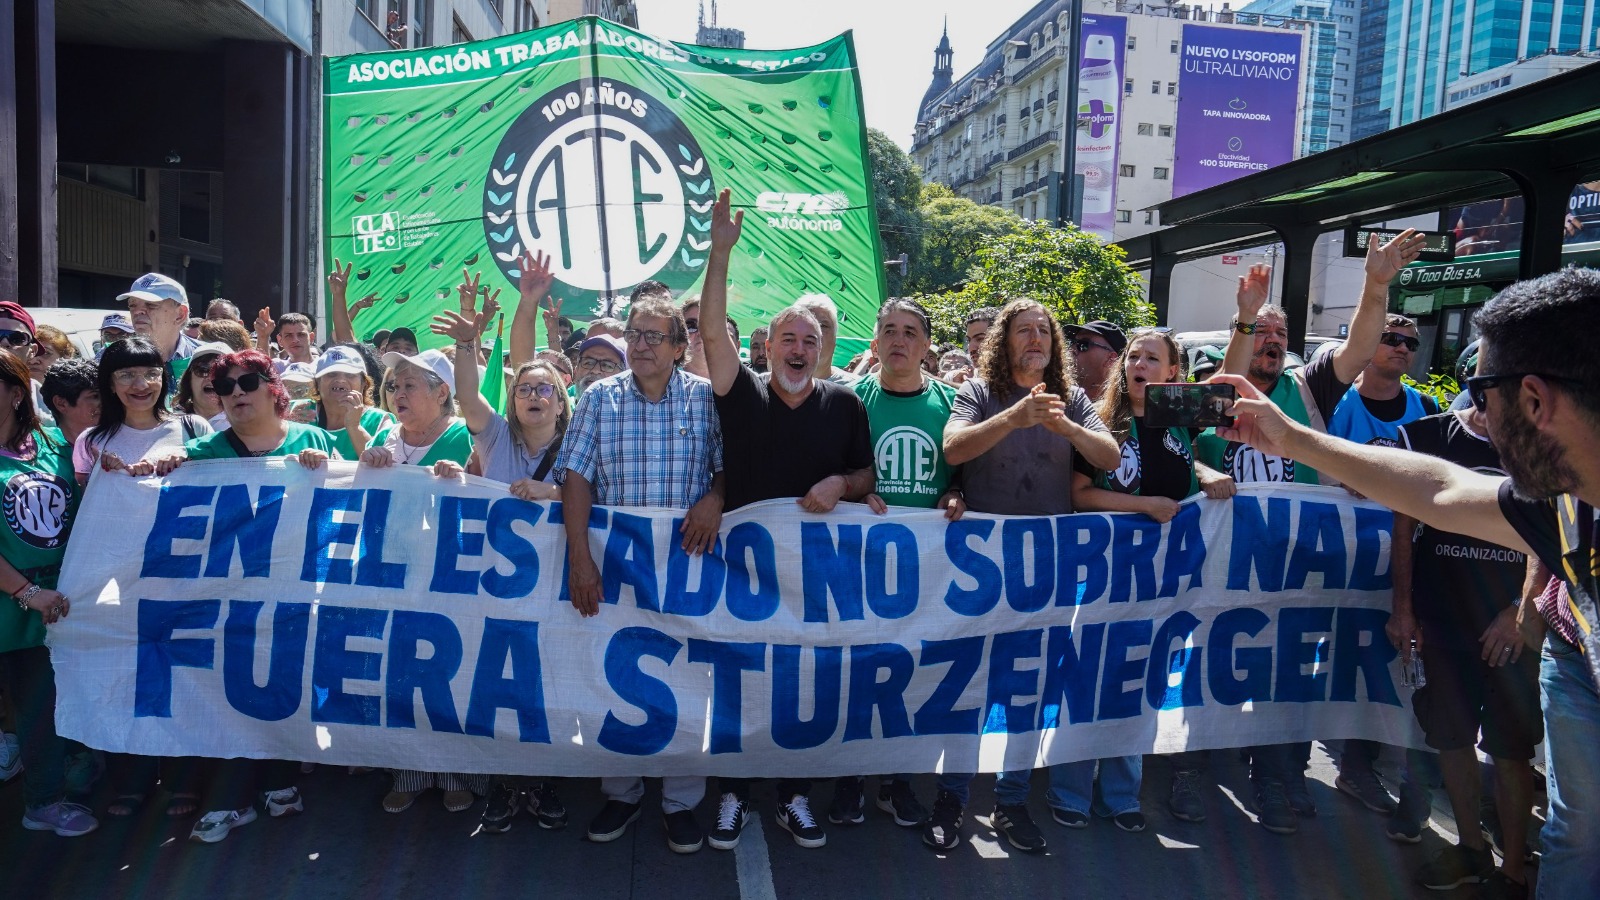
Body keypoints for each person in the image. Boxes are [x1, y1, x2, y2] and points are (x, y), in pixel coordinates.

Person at [1210, 266, 1600, 899]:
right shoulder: (1558, 500)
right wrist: (1293, 438)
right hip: (1574, 662)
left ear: (1533, 400)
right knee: (1575, 833)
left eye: (1478, 389)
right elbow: (1440, 489)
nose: (1475, 416)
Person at [1196, 231, 1424, 833]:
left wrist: (1376, 285)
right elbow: (1225, 391)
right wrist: (1247, 321)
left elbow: (1357, 346)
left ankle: (1281, 776)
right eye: (1259, 334)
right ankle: (1209, 769)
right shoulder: (1213, 395)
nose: (1271, 343)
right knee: (1225, 668)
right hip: (1228, 567)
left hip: (1297, 563)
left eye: (1279, 334)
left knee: (1290, 676)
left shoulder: (1306, 388)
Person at [697, 189, 876, 851]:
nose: (799, 348)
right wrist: (720, 254)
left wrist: (843, 483)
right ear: (767, 346)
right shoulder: (740, 393)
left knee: (804, 687)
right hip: (740, 579)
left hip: (815, 584)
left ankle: (794, 795)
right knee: (738, 685)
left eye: (811, 339)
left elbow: (866, 478)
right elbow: (711, 331)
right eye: (787, 338)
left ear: (823, 349)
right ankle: (733, 793)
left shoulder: (845, 405)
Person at [932, 298, 1120, 852]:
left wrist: (1070, 428)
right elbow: (953, 446)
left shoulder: (1073, 398)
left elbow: (1107, 456)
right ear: (1004, 342)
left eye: (1044, 330)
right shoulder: (979, 392)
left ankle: (1012, 802)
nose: (1035, 338)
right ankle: (952, 797)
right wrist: (1014, 417)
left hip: (1048, 572)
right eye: (1023, 330)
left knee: (1030, 691)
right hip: (982, 572)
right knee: (968, 687)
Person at [555, 280, 723, 856]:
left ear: (679, 345)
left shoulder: (706, 398)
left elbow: (732, 467)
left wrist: (717, 497)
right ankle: (621, 792)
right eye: (633, 333)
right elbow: (575, 477)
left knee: (685, 679)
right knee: (616, 675)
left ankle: (680, 802)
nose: (640, 344)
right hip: (617, 567)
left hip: (688, 566)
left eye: (654, 335)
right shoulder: (600, 399)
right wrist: (580, 557)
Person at [1068, 329, 1236, 829]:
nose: (1139, 364)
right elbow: (1079, 493)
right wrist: (1143, 506)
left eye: (1152, 358)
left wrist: (1245, 319)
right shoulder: (1099, 418)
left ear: (1172, 374)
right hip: (1101, 578)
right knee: (1087, 681)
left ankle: (1121, 794)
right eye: (1133, 357)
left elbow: (1232, 389)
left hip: (1163, 584)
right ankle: (1071, 790)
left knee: (1139, 683)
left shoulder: (1176, 412)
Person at [1383, 397, 1540, 895]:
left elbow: (1555, 532)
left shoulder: (1542, 440)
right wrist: (1404, 608)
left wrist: (1520, 611)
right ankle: (1471, 848)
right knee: (1449, 739)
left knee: (1510, 754)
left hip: (1510, 631)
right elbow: (1404, 525)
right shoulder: (1426, 437)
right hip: (1441, 622)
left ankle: (1513, 873)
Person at [176, 349, 330, 842]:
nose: (237, 393)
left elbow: (356, 500)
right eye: (226, 387)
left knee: (281, 687)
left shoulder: (315, 440)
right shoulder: (203, 455)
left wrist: (333, 465)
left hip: (295, 594)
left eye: (247, 382)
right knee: (229, 693)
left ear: (272, 388)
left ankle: (278, 781)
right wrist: (143, 471)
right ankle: (228, 800)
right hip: (228, 598)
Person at [835, 298, 965, 837]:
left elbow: (968, 472)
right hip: (858, 564)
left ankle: (898, 780)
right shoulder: (849, 401)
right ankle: (848, 779)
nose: (898, 340)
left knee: (913, 674)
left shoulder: (953, 404)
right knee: (854, 673)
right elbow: (832, 472)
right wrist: (853, 493)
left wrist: (958, 491)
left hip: (926, 571)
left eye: (910, 331)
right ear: (875, 340)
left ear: (926, 344)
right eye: (888, 329)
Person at [1323, 312, 1441, 819]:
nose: (1399, 348)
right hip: (1340, 557)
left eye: (1408, 343)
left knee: (1386, 663)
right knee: (1344, 658)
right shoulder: (1336, 404)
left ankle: (1363, 762)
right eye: (1389, 339)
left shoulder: (1427, 409)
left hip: (1401, 559)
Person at [358, 345, 480, 812]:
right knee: (396, 670)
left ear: (442, 391)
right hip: (390, 572)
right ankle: (407, 772)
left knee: (446, 671)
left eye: (410, 384)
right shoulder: (385, 435)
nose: (397, 393)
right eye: (393, 385)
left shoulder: (462, 436)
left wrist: (464, 476)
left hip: (447, 577)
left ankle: (453, 771)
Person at [0, 350, 98, 837]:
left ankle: (43, 801)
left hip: (53, 603)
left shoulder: (56, 445)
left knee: (41, 709)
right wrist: (24, 591)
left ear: (17, 393)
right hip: (19, 598)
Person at [72, 337, 212, 488]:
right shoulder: (90, 441)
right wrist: (101, 474)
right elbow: (84, 502)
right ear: (110, 384)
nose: (141, 385)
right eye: (127, 375)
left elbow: (219, 482)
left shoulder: (194, 428)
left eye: (152, 373)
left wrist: (189, 456)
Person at [288, 345, 393, 460]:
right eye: (331, 374)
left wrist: (354, 426)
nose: (340, 380)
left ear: (364, 384)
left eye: (350, 375)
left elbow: (385, 467)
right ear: (317, 382)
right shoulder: (297, 411)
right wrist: (288, 425)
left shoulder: (379, 421)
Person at [118, 272, 200, 390]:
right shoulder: (112, 356)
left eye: (151, 305)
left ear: (180, 315)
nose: (137, 311)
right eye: (132, 305)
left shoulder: (205, 357)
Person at [793, 294, 856, 385]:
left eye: (823, 325)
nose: (816, 331)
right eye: (806, 324)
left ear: (834, 339)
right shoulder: (772, 387)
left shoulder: (857, 389)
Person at [172, 342, 234, 430]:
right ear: (189, 379)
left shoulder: (245, 423)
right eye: (203, 370)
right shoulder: (170, 422)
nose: (211, 377)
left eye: (221, 372)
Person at [40, 359, 100, 447]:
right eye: (95, 396)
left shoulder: (116, 439)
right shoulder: (45, 450)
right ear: (61, 404)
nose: (106, 402)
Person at [1063, 320, 1127, 402]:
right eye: (1072, 343)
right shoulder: (1056, 401)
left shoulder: (1126, 411)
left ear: (1111, 359)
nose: (1072, 349)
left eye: (1083, 344)